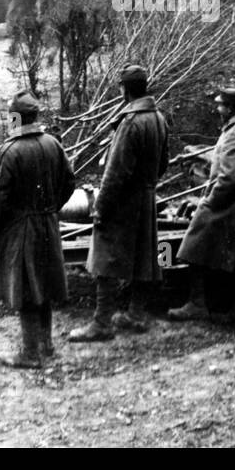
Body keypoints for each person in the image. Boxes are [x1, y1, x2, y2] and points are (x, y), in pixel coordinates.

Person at [69, 65, 170, 343]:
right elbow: (163, 163)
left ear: (125, 90)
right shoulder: (158, 118)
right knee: (144, 256)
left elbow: (115, 173)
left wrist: (100, 207)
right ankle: (136, 314)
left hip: (124, 200)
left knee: (104, 256)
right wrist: (146, 186)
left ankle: (102, 323)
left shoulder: (130, 122)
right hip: (146, 199)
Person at [0, 92, 76, 368]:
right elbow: (69, 182)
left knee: (25, 289)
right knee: (43, 284)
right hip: (48, 224)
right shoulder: (53, 144)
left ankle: (30, 353)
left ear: (15, 118)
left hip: (21, 231)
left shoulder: (10, 151)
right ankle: (46, 345)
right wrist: (50, 208)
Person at [167, 87, 235, 329]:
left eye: (221, 105)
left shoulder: (234, 134)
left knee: (194, 244)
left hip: (232, 202)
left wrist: (207, 203)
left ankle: (197, 304)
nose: (217, 109)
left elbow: (228, 179)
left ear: (230, 108)